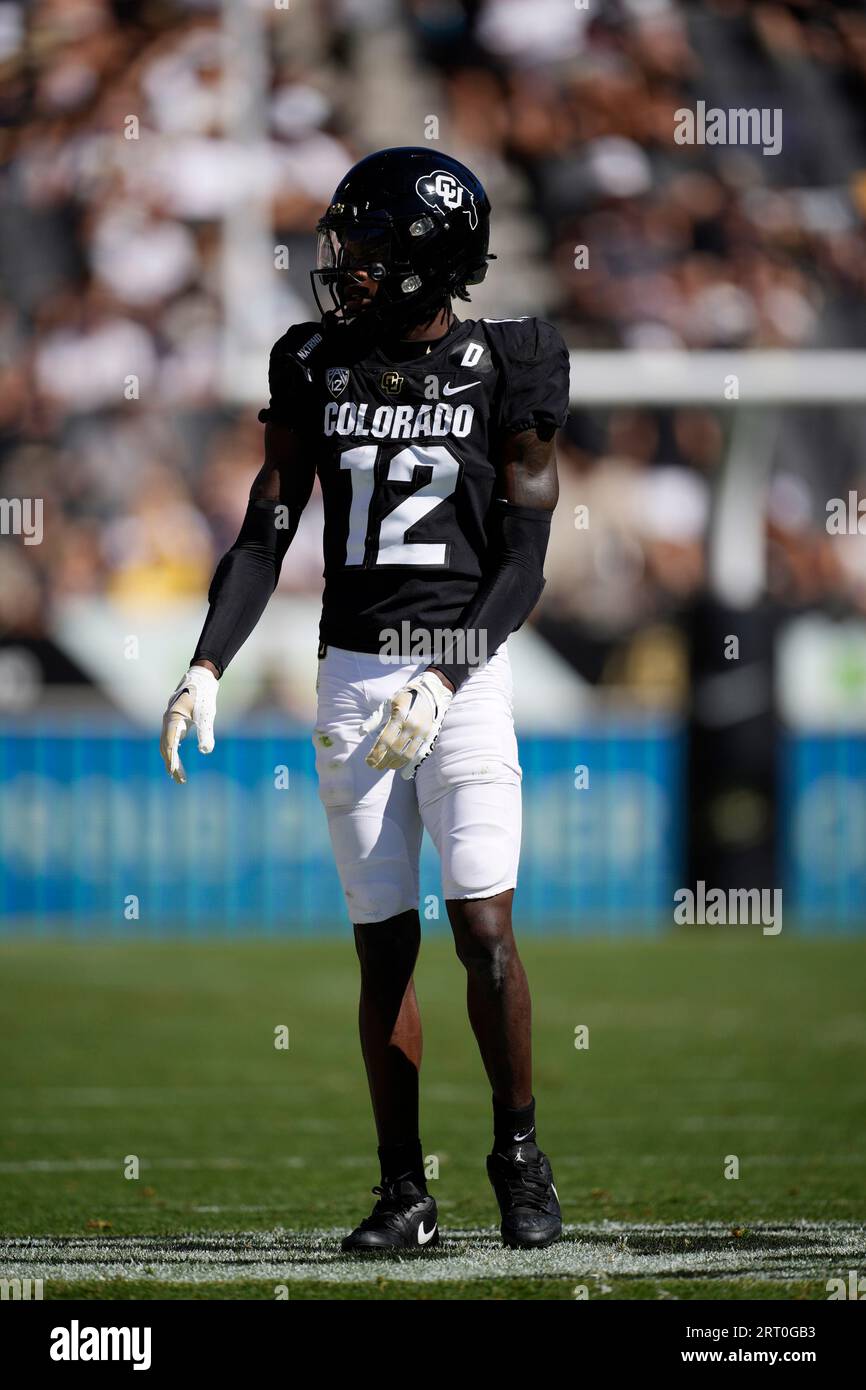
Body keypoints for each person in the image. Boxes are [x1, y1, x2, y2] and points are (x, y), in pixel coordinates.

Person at [160, 147, 569, 1252]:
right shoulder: (314, 361)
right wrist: (206, 662)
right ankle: (404, 1193)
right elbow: (266, 528)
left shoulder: (510, 363)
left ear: (427, 261)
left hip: (465, 671)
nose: (343, 266)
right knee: (383, 945)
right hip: (350, 673)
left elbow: (523, 562)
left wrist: (443, 672)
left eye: (368, 249)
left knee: (483, 926)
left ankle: (516, 1152)